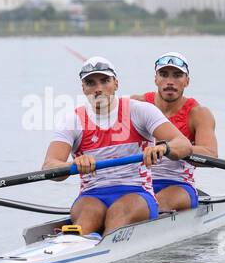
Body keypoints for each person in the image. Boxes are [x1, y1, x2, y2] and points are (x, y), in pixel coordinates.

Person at [43, 55, 192, 238]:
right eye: (91, 83)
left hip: (136, 193)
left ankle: (102, 245)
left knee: (118, 213)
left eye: (105, 81)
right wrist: (72, 165)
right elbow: (49, 165)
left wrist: (164, 149)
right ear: (83, 89)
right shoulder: (72, 120)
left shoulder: (140, 111)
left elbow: (183, 144)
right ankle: (73, 245)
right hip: (91, 195)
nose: (98, 89)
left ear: (116, 84)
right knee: (87, 215)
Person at [131, 52, 216, 212]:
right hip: (137, 184)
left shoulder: (198, 113)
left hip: (178, 185)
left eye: (177, 75)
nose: (170, 81)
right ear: (155, 79)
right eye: (163, 75)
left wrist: (168, 148)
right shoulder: (137, 104)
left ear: (187, 81)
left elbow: (210, 154)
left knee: (152, 207)